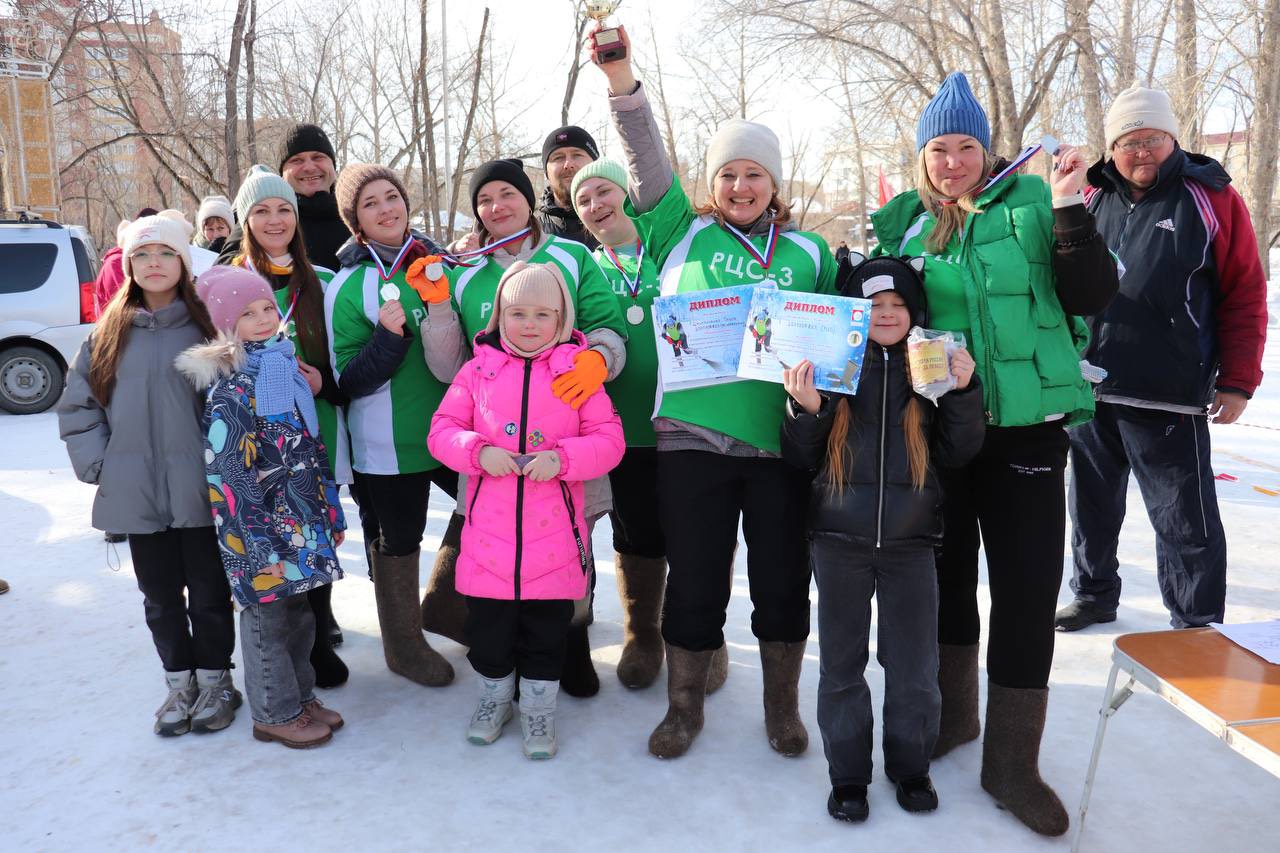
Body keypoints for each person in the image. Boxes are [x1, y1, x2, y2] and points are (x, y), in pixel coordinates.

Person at [870, 72, 1118, 835]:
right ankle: (954, 717)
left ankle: (1013, 758)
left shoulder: (1035, 204)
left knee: (1025, 590)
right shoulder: (903, 228)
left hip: (1030, 432)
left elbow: (1091, 293)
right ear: (920, 157)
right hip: (945, 432)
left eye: (966, 147)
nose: (952, 162)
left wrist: (1073, 200)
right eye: (938, 149)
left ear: (987, 151)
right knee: (946, 581)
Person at [592, 26, 837, 759]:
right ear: (712, 183)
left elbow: (836, 347)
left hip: (776, 444)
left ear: (774, 183)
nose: (739, 186)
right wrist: (622, 80)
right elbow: (644, 157)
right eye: (727, 174)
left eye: (753, 175)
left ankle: (781, 707)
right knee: (695, 580)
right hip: (693, 440)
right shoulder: (682, 233)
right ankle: (684, 705)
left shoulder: (812, 252)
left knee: (783, 581)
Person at [780, 255, 984, 824]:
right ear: (853, 312)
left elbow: (957, 453)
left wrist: (965, 395)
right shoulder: (827, 365)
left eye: (898, 305)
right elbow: (799, 455)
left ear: (915, 313)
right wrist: (807, 410)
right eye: (874, 306)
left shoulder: (933, 364)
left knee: (915, 667)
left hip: (911, 544)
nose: (886, 314)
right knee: (841, 666)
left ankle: (911, 766)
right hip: (837, 541)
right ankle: (847, 776)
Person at [1057, 86, 1269, 632]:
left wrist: (1239, 381)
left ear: (1173, 138)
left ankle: (1196, 621)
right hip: (1089, 387)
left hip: (1168, 390)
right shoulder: (1087, 197)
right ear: (1113, 149)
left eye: (1152, 138)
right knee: (1091, 509)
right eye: (1129, 142)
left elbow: (1245, 292)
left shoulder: (1211, 197)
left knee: (1184, 518)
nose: (1142, 151)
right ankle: (1094, 593)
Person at [419, 157, 628, 699]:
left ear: (528, 198)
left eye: (507, 194)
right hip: (498, 456)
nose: (496, 207)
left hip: (565, 433)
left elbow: (607, 326)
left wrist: (598, 360)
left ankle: (570, 645)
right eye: (484, 199)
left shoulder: (574, 255)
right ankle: (502, 663)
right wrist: (439, 307)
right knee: (498, 559)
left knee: (568, 546)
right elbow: (452, 367)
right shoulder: (465, 274)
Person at [429, 261, 625, 758]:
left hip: (554, 541)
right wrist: (477, 451)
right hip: (487, 542)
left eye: (544, 314)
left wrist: (564, 459)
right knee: (489, 634)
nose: (531, 324)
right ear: (499, 316)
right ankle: (495, 700)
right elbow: (442, 430)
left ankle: (539, 711)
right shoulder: (478, 372)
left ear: (562, 319)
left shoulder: (576, 375)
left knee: (546, 635)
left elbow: (609, 441)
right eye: (518, 313)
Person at [57, 211, 240, 738]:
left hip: (201, 494)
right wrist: (100, 464)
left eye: (165, 253)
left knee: (208, 592)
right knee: (159, 597)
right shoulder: (108, 334)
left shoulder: (208, 327)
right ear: (128, 263)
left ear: (184, 262)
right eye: (142, 254)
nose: (154, 263)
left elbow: (231, 405)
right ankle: (178, 683)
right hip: (137, 493)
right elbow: (80, 408)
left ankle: (216, 680)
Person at [570, 157, 727, 690]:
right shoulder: (586, 269)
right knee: (636, 534)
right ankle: (643, 633)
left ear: (626, 195)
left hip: (688, 424)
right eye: (583, 200)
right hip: (623, 430)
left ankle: (709, 638)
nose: (595, 206)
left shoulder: (676, 255)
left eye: (602, 192)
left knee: (697, 537)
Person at [178, 264, 347, 749]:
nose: (262, 319)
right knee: (267, 621)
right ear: (222, 324)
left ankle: (300, 697)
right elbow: (230, 475)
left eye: (267, 308)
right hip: (259, 533)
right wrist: (255, 542)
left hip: (300, 521)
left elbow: (311, 450)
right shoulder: (231, 389)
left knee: (301, 617)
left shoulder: (282, 368)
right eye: (246, 313)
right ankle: (274, 711)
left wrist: (329, 513)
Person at [326, 162, 456, 688]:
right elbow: (345, 380)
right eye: (370, 203)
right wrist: (388, 338)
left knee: (486, 508)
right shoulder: (348, 285)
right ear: (355, 221)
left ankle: (446, 607)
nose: (386, 209)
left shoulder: (439, 265)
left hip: (453, 430)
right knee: (398, 540)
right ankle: (403, 645)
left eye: (391, 197)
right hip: (387, 444)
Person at [223, 164, 351, 687]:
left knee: (314, 534)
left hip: (312, 433)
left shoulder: (320, 281)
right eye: (261, 210)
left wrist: (323, 378)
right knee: (268, 541)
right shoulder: (224, 282)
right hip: (253, 441)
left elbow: (345, 360)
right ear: (244, 218)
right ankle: (276, 652)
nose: (274, 220)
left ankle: (319, 634)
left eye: (284, 210)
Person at [218, 123, 351, 273]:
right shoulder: (262, 215)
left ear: (333, 165)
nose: (309, 167)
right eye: (297, 160)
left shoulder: (355, 214)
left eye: (318, 157)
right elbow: (223, 270)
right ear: (282, 173)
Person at [539, 125, 601, 248]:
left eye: (577, 155)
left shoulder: (618, 220)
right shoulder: (533, 235)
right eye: (558, 157)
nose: (568, 164)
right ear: (546, 172)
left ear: (595, 165)